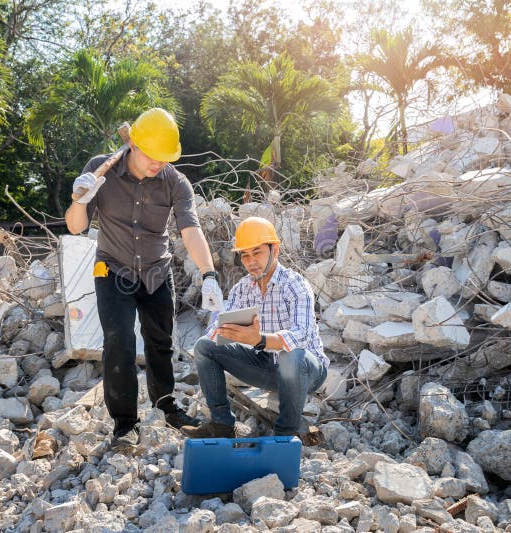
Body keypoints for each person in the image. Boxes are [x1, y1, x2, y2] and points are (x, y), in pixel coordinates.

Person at [65, 108, 224, 452]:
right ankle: (124, 423)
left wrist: (209, 273)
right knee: (118, 341)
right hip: (111, 269)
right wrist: (80, 199)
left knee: (160, 340)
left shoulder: (175, 182)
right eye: (153, 155)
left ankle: (166, 406)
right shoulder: (100, 169)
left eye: (165, 158)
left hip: (156, 270)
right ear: (133, 144)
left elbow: (190, 230)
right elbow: (75, 226)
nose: (158, 164)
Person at [182, 216, 328, 438]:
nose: (251, 262)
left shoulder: (295, 284)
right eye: (245, 255)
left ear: (275, 249)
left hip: (306, 371)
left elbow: (302, 336)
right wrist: (222, 322)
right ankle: (221, 425)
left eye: (257, 252)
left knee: (291, 355)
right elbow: (216, 335)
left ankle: (285, 433)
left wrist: (259, 339)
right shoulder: (243, 289)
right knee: (204, 347)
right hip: (266, 367)